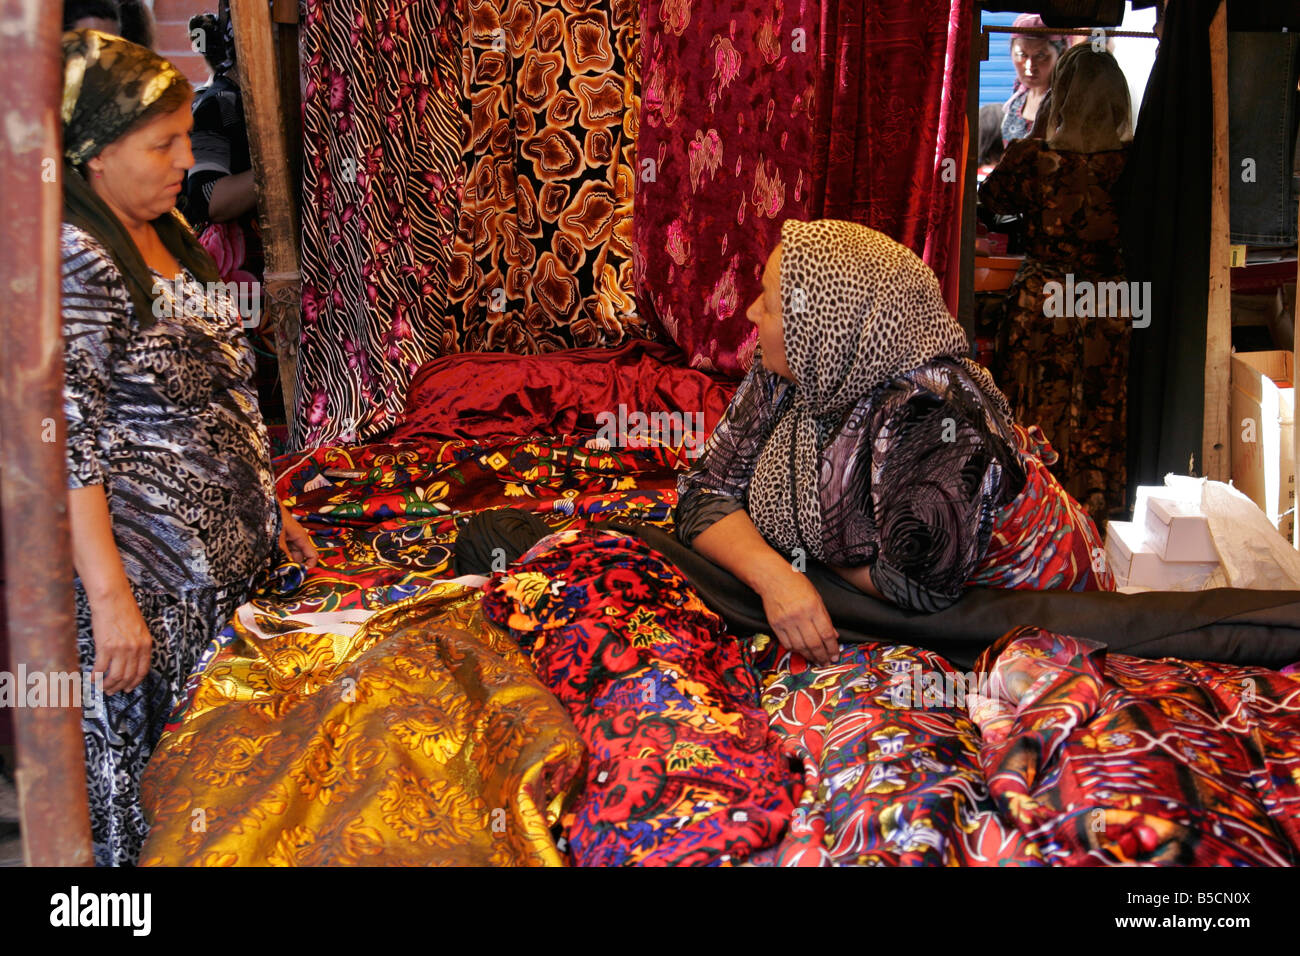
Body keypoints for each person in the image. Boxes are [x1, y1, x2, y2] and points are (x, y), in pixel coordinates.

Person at [59, 29, 317, 866]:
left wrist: (270, 512)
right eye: (161, 141)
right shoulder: (77, 257)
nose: (185, 157)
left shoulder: (163, 226)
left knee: (224, 806)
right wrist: (110, 602)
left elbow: (222, 395)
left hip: (222, 578)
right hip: (152, 596)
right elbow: (68, 442)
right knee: (155, 809)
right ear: (95, 153)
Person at [675, 219, 1112, 668]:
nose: (750, 312)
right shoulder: (795, 367)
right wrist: (777, 577)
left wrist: (798, 563)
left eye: (767, 303)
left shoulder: (932, 415)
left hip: (1009, 612)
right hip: (871, 589)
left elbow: (913, 588)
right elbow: (703, 492)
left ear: (821, 328)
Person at [978, 45, 1134, 526]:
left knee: (1032, 410)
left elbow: (987, 208)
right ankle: (1095, 526)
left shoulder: (1032, 158)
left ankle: (1031, 520)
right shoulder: (1133, 163)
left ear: (1059, 98)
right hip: (1110, 301)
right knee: (1099, 412)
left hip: (1041, 301)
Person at [1001, 14, 1067, 146]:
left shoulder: (1066, 103)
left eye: (1041, 55)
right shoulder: (1019, 94)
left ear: (1060, 54)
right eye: (1021, 55)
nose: (1029, 66)